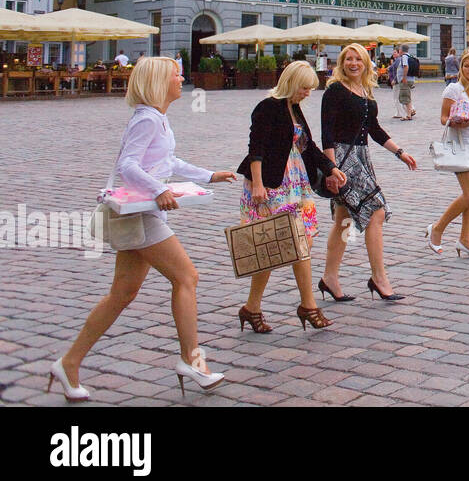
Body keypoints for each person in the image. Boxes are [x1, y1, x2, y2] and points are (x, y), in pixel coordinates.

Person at [51, 57, 238, 401]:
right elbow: (128, 166)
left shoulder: (157, 119)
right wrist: (159, 189)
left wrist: (210, 175)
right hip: (138, 213)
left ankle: (69, 362)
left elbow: (169, 163)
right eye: (175, 75)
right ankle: (192, 360)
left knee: (122, 294)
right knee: (187, 277)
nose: (181, 79)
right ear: (157, 82)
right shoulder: (147, 119)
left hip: (141, 211)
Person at [236, 60, 348, 333]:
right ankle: (305, 306)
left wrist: (331, 168)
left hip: (297, 184)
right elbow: (256, 148)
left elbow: (308, 149)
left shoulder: (294, 109)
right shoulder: (268, 107)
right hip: (273, 184)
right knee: (278, 246)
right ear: (291, 82)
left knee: (298, 243)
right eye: (304, 88)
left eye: (310, 89)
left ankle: (255, 308)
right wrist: (259, 184)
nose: (307, 93)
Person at [319, 43, 418, 302]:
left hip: (362, 157)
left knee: (344, 218)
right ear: (341, 63)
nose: (353, 63)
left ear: (365, 63)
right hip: (341, 159)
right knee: (376, 210)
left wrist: (399, 152)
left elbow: (373, 129)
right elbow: (326, 133)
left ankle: (329, 278)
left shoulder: (365, 90)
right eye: (348, 59)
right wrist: (331, 169)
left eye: (358, 59)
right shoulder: (334, 91)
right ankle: (379, 277)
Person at [426, 47, 469, 258]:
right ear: (461, 68)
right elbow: (444, 118)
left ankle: (465, 239)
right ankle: (437, 229)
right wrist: (458, 122)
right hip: (460, 145)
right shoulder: (454, 89)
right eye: (466, 65)